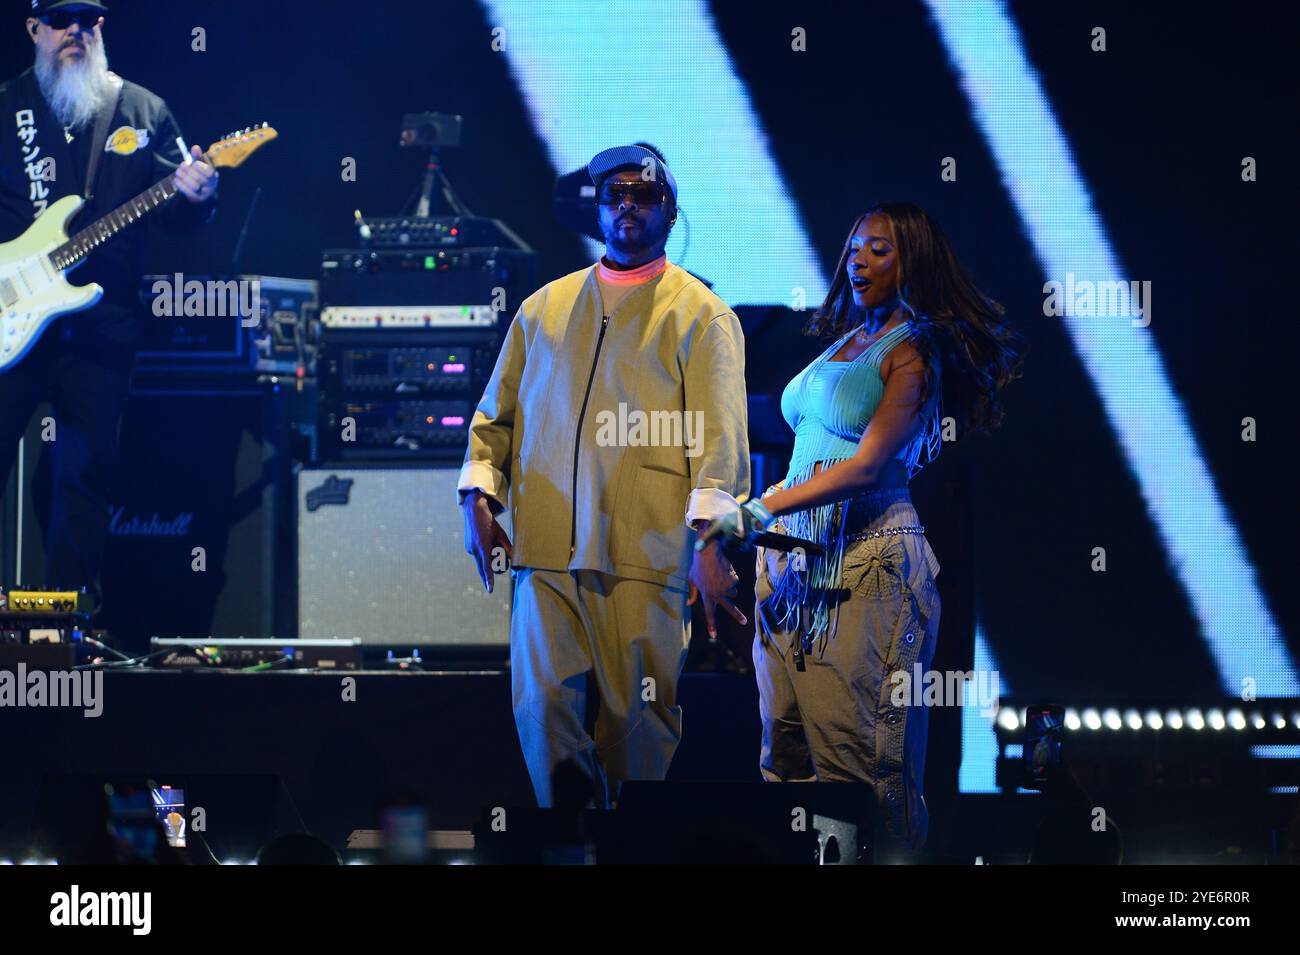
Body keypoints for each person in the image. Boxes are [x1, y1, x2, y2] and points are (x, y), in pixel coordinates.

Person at [705, 201, 1025, 851]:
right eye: (855, 247)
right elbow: (812, 449)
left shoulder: (915, 352)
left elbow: (869, 465)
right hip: (795, 568)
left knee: (862, 773)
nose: (860, 259)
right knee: (786, 765)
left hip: (866, 565)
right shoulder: (846, 342)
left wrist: (762, 509)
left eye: (879, 249)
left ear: (914, 261)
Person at [460, 143, 750, 808]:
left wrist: (711, 545)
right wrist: (478, 496)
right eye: (615, 193)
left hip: (645, 552)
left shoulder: (702, 315)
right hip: (546, 549)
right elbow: (494, 416)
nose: (627, 203)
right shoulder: (545, 307)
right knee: (540, 707)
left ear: (669, 212)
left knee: (637, 729)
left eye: (643, 194)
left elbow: (721, 442)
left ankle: (631, 849)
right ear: (597, 207)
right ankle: (570, 842)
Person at [0, 0, 218, 610]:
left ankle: (67, 620)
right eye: (61, 20)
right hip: (9, 315)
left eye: (88, 21)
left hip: (102, 324)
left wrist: (200, 194)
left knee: (83, 476)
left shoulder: (142, 111)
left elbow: (183, 217)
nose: (76, 32)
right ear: (33, 29)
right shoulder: (5, 106)